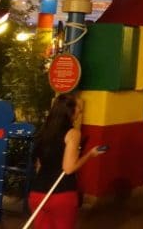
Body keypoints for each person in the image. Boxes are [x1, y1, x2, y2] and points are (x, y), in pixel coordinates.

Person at [29, 93, 105, 229]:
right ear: (70, 110)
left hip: (38, 194)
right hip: (62, 195)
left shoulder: (43, 132)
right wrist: (90, 154)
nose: (80, 111)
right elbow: (68, 169)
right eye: (78, 108)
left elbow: (39, 165)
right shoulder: (73, 133)